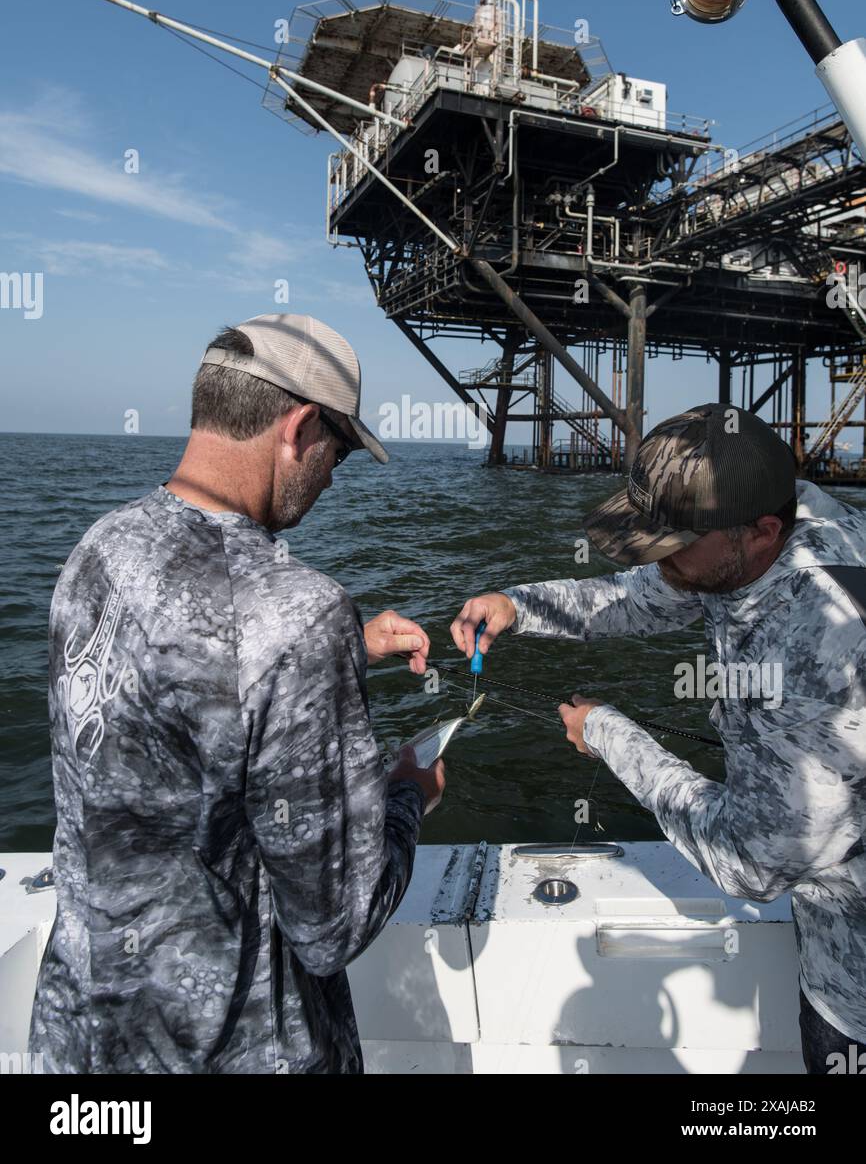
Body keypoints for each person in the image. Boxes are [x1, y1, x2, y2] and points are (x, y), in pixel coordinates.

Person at [31, 313, 444, 1075]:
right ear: (301, 426)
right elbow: (333, 928)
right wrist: (408, 796)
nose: (332, 475)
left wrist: (349, 647)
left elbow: (177, 689)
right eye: (340, 452)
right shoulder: (300, 613)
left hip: (83, 1050)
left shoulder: (95, 552)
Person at [452, 403, 866, 1075]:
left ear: (760, 531)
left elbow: (752, 863)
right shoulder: (785, 525)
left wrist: (611, 735)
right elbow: (639, 596)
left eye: (671, 543)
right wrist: (518, 607)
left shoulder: (812, 640)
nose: (657, 559)